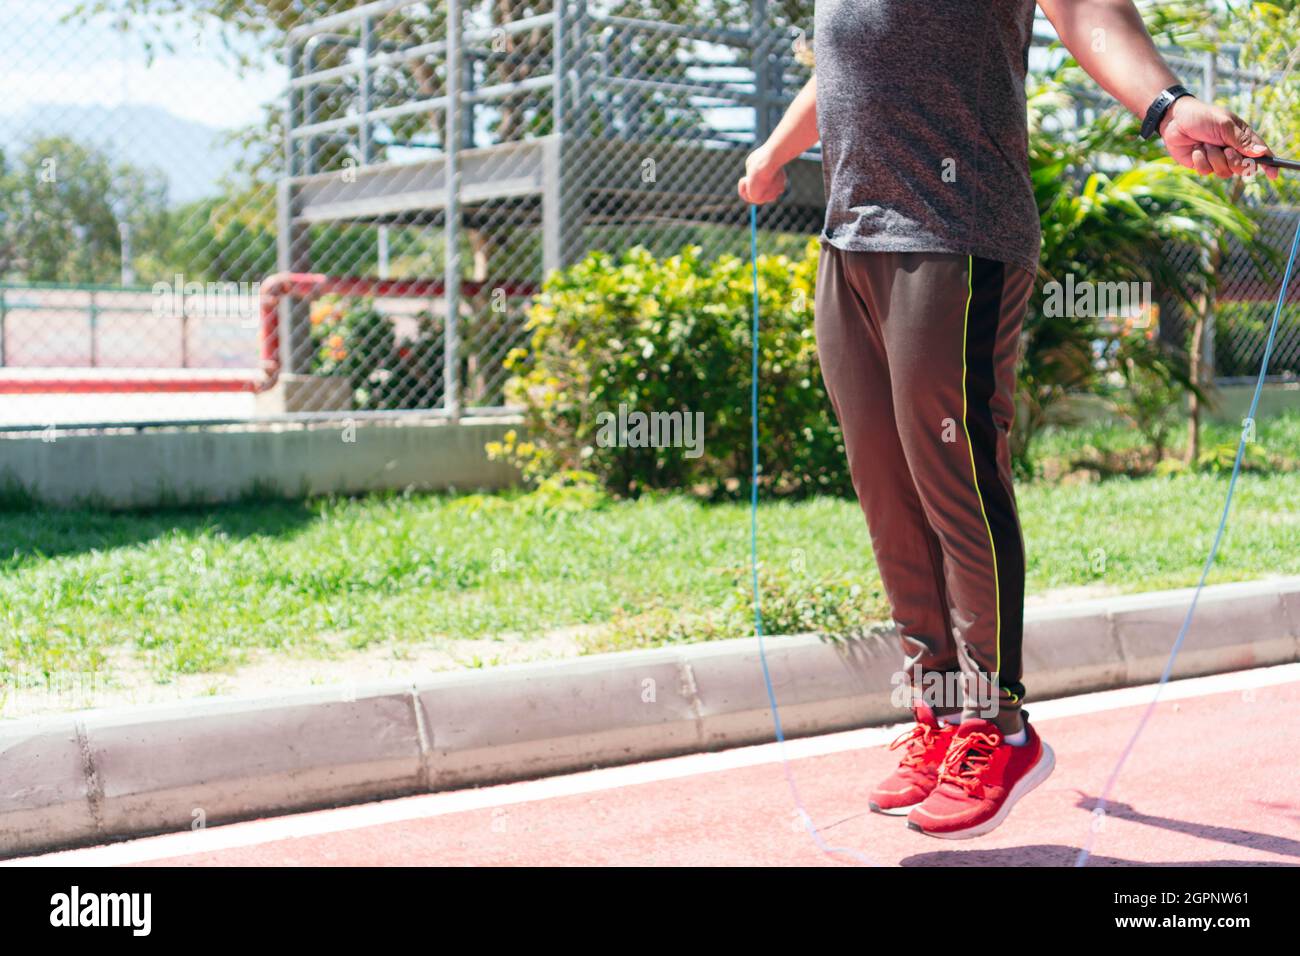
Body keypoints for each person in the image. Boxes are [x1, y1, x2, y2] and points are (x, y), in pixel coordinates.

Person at [738, 0, 1277, 839]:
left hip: (955, 230)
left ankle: (999, 725)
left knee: (956, 479)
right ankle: (942, 713)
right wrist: (776, 152)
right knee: (888, 489)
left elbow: (1082, 7)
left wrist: (1165, 105)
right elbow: (850, 59)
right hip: (849, 239)